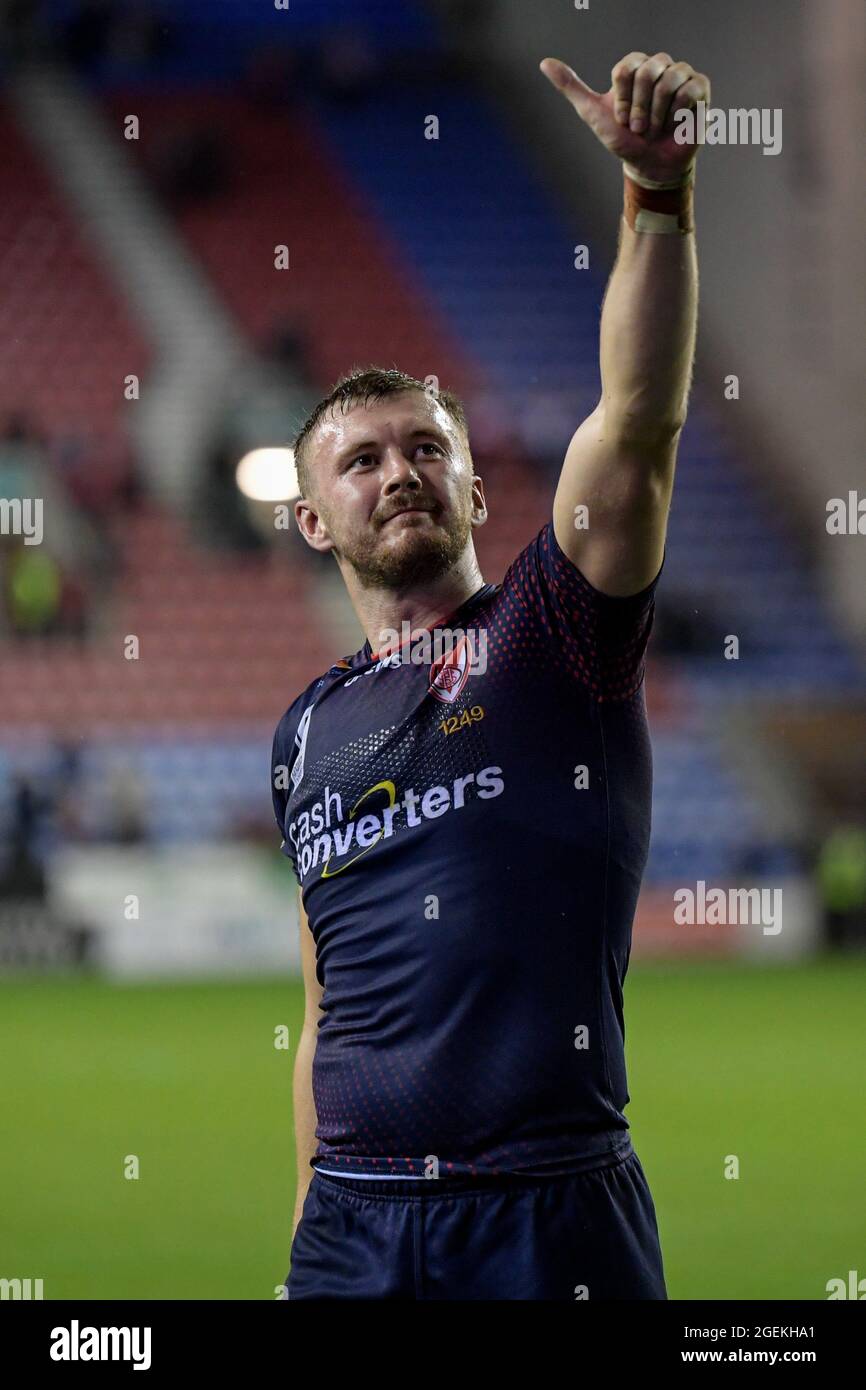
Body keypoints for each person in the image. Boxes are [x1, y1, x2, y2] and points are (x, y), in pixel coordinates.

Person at [272, 49, 708, 1300]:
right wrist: (308, 1235)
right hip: (351, 1232)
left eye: (423, 447)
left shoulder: (550, 634)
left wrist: (655, 200)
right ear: (312, 521)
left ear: (473, 489)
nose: (395, 470)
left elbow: (635, 421)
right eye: (357, 460)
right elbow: (324, 1010)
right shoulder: (305, 731)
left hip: (545, 1219)